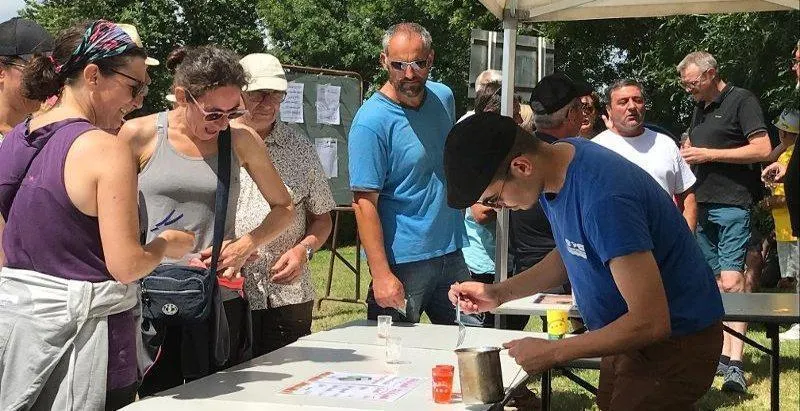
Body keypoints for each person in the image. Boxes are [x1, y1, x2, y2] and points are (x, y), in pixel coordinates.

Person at [444, 112, 724, 410]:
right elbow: (569, 253)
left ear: (521, 166)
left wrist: (555, 351)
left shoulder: (604, 199)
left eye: (493, 198)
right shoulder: (557, 169)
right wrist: (498, 293)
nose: (498, 208)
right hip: (628, 338)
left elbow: (651, 321)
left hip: (676, 342)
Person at [0, 20, 195, 410]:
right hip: (93, 349)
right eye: (134, 86)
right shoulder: (106, 149)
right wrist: (165, 245)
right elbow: (125, 266)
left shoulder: (17, 138)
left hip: (21, 341)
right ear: (92, 75)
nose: (139, 101)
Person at [118, 45, 293, 395]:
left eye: (233, 111)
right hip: (152, 300)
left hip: (217, 300)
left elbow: (284, 207)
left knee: (223, 397)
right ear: (183, 97)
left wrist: (247, 243)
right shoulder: (138, 136)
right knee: (156, 397)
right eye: (213, 113)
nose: (224, 123)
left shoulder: (241, 140)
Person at [349, 22, 477, 325]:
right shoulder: (370, 122)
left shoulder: (443, 97)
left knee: (469, 347)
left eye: (419, 63)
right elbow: (364, 202)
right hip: (403, 263)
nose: (409, 74)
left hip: (452, 251)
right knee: (393, 358)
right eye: (399, 65)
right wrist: (381, 275)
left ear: (431, 59)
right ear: (384, 62)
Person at [677, 51, 771, 393]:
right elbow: (700, 145)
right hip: (700, 203)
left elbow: (762, 147)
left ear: (711, 73)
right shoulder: (699, 107)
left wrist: (709, 154)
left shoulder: (742, 100)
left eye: (692, 83)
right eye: (684, 84)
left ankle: (736, 363)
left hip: (732, 203)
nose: (688, 90)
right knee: (715, 284)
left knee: (733, 282)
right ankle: (721, 353)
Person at [233, 53, 335, 355]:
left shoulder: (299, 147)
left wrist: (302, 251)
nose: (266, 103)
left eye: (275, 95)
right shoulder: (216, 141)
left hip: (289, 294)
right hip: (231, 294)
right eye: (257, 94)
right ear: (238, 93)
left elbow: (322, 217)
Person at [508, 73, 590, 331]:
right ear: (572, 114)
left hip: (528, 263)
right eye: (582, 107)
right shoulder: (572, 160)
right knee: (575, 341)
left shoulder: (520, 153)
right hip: (563, 267)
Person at [592, 79, 697, 231]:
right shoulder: (595, 149)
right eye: (623, 102)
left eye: (637, 100)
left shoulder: (665, 144)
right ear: (609, 110)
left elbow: (687, 197)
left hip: (666, 242)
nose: (632, 107)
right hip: (618, 244)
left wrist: (688, 241)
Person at [0, 17, 54, 142]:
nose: (45, 79)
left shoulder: (43, 136)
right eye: (34, 69)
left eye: (49, 69)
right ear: (1, 72)